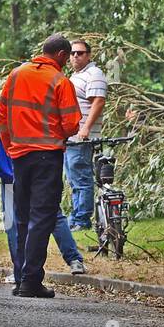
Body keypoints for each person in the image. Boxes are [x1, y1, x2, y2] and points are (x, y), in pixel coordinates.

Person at [0, 34, 81, 299]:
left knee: (22, 217)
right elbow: (71, 124)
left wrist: (12, 147)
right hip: (47, 157)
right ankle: (30, 282)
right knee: (42, 217)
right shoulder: (60, 81)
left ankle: (21, 276)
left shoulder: (16, 75)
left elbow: (1, 116)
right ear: (62, 55)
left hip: (19, 156)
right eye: (67, 59)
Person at [0, 120, 88, 279]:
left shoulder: (13, 101)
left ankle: (21, 270)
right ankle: (73, 259)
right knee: (52, 214)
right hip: (42, 165)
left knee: (14, 222)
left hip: (13, 169)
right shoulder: (45, 106)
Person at [64, 39, 107, 231]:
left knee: (81, 178)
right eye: (72, 53)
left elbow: (98, 101)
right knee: (74, 179)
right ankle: (75, 217)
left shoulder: (94, 73)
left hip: (81, 137)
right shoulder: (75, 76)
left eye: (80, 53)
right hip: (70, 138)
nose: (75, 56)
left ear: (88, 55)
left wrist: (85, 129)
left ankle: (82, 219)